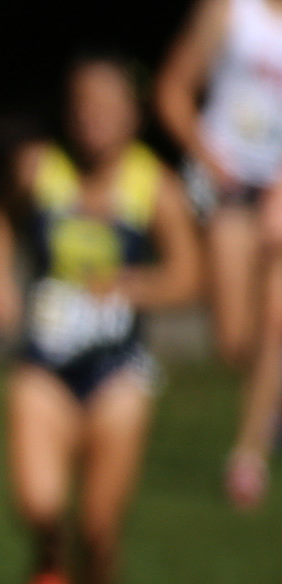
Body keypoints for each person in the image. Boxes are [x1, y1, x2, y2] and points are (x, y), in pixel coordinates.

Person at [0, 53, 201, 584]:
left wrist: (132, 285)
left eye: (108, 106)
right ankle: (49, 553)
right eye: (82, 105)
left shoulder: (153, 186)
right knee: (37, 501)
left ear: (134, 115)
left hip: (118, 370)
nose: (93, 119)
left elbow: (190, 275)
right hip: (43, 363)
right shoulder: (37, 169)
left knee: (100, 527)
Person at [158, 0, 282, 506]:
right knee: (233, 341)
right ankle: (270, 401)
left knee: (276, 320)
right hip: (230, 186)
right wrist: (211, 162)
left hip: (278, 190)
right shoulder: (229, 10)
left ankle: (248, 458)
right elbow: (171, 91)